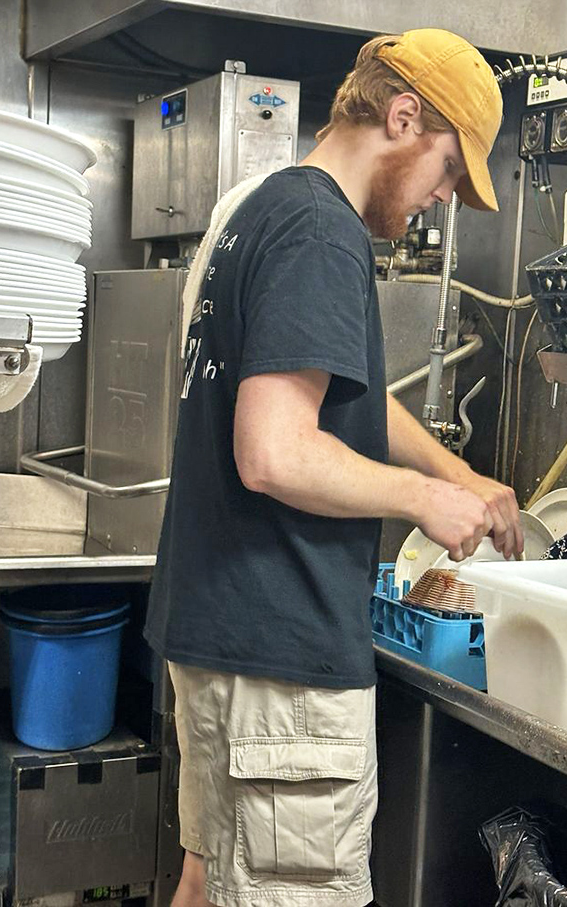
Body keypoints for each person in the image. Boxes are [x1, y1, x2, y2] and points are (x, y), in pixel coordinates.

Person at [144, 27, 524, 907]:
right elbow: (275, 451)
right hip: (282, 667)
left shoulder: (264, 206)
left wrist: (455, 472)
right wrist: (422, 498)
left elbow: (340, 396)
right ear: (403, 117)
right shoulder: (322, 232)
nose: (443, 199)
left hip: (226, 641)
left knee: (209, 879)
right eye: (448, 170)